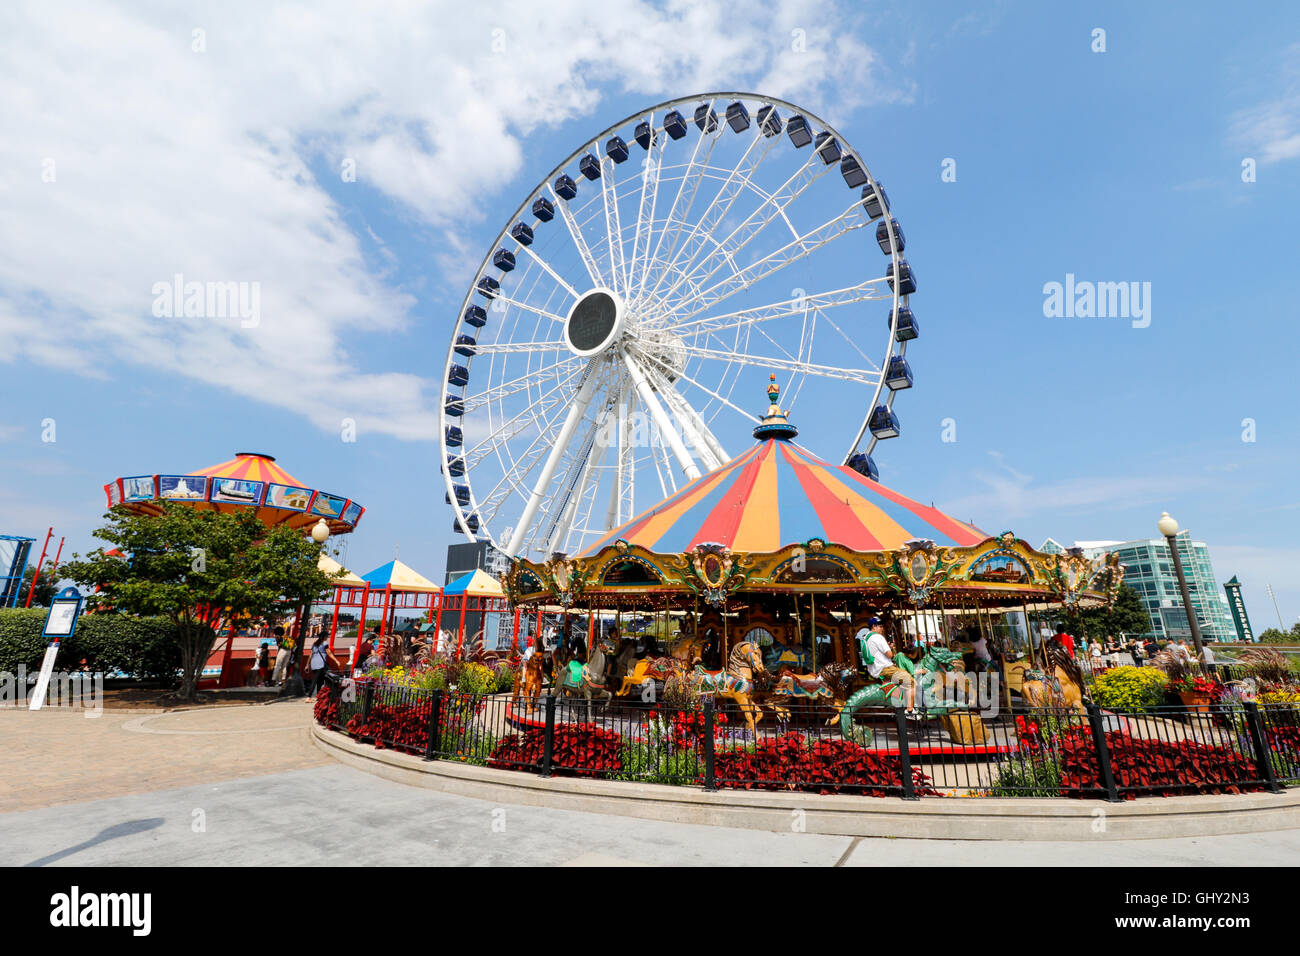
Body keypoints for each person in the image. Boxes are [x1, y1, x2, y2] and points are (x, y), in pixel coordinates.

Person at [857, 617, 917, 715]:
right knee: (911, 681)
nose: (882, 629)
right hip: (885, 669)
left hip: (874, 669)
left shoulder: (865, 637)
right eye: (880, 626)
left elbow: (876, 652)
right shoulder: (878, 637)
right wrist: (891, 649)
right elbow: (890, 655)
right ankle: (909, 710)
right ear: (874, 626)